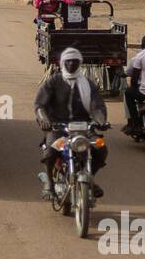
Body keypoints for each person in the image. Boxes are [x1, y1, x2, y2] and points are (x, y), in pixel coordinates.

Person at [34, 47, 108, 200]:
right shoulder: (53, 81)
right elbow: (40, 105)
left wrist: (100, 120)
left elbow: (97, 105)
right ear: (62, 63)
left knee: (101, 148)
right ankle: (49, 183)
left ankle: (90, 178)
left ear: (79, 63)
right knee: (49, 153)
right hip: (59, 128)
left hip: (84, 129)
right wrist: (45, 120)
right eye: (68, 62)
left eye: (75, 62)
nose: (71, 65)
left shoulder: (88, 84)